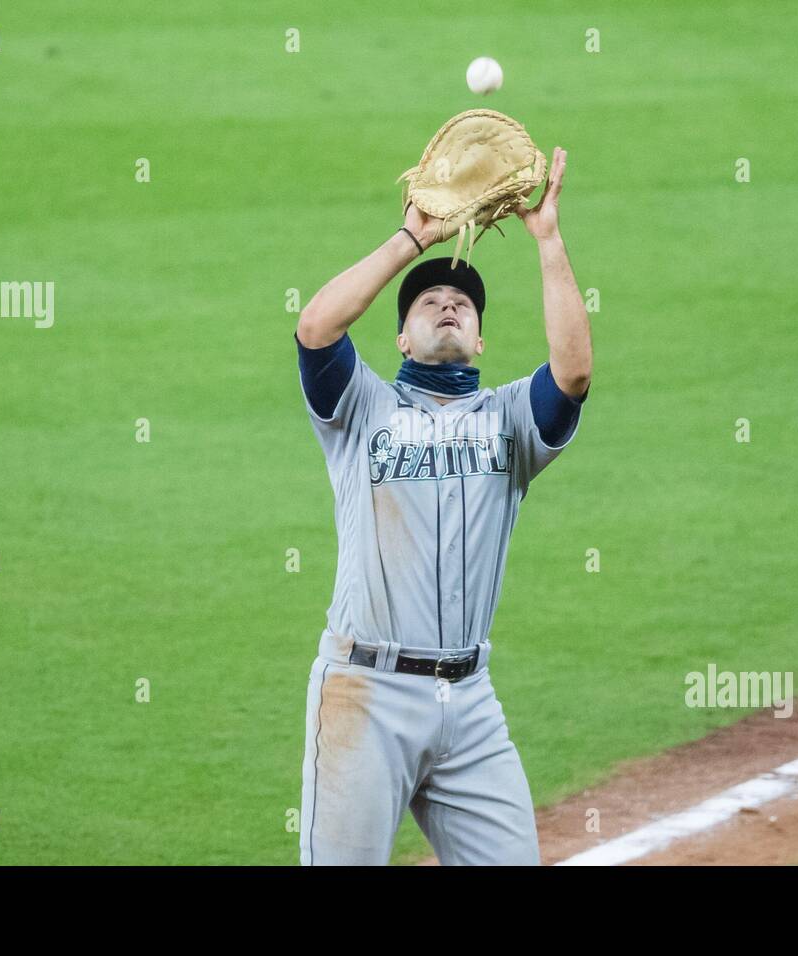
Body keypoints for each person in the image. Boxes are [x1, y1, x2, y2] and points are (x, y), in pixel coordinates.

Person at [294, 147, 591, 865]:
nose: (447, 304)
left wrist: (548, 241)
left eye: (462, 303)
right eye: (428, 302)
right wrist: (413, 240)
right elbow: (316, 328)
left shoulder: (510, 419)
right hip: (366, 693)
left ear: (480, 337)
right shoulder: (360, 408)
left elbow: (573, 371)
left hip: (471, 705)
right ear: (401, 337)